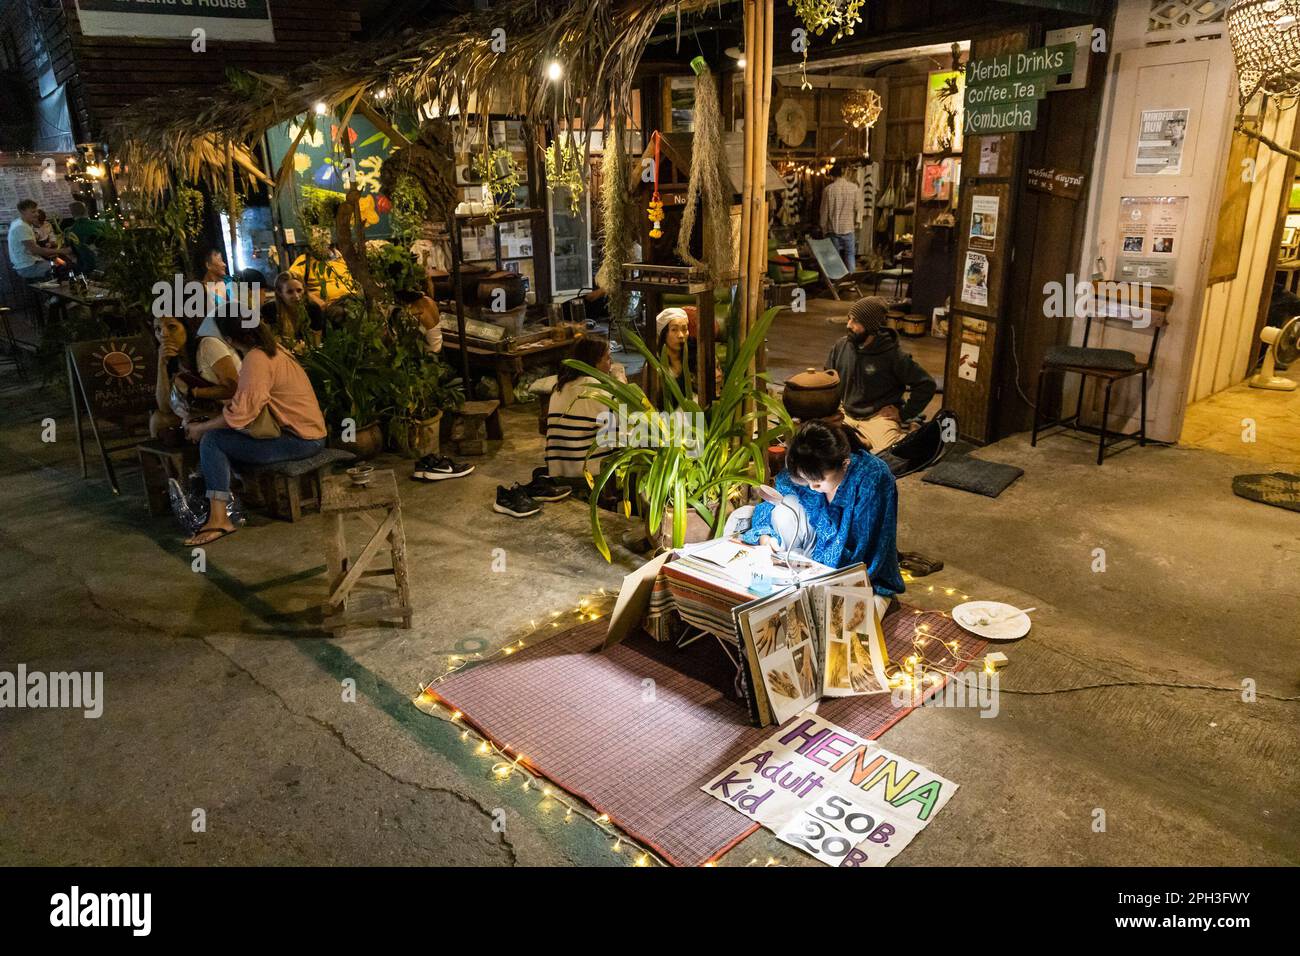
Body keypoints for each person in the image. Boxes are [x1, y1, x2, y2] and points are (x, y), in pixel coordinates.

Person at [181, 312, 328, 545]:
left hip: (300, 441)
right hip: (310, 434)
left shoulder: (256, 359)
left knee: (213, 441)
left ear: (228, 340)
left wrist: (201, 428)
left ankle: (219, 519)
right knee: (220, 437)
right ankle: (238, 499)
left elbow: (240, 415)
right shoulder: (274, 350)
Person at [741, 420, 904, 610]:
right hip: (806, 563)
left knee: (843, 626)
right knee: (783, 510)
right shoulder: (805, 462)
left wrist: (814, 578)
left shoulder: (872, 478)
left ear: (844, 464)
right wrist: (765, 535)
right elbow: (773, 499)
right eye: (805, 480)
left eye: (818, 482)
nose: (811, 487)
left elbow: (863, 549)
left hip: (855, 570)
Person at [828, 296, 936, 453]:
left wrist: (904, 414)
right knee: (819, 441)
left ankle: (911, 428)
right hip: (846, 414)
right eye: (849, 319)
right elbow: (828, 379)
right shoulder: (841, 346)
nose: (848, 325)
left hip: (877, 418)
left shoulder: (893, 355)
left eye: (855, 322)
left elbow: (926, 384)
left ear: (871, 327)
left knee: (890, 455)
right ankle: (861, 442)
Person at [7, 199, 71, 279]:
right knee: (64, 269)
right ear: (23, 212)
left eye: (37, 211)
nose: (37, 214)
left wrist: (54, 255)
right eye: (33, 212)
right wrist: (62, 251)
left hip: (34, 261)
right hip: (28, 267)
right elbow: (35, 250)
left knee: (64, 264)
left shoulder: (20, 222)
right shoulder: (21, 227)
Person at [261, 272, 325, 350]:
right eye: (290, 292)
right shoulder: (270, 309)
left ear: (304, 290)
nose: (296, 296)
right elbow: (268, 340)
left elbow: (316, 343)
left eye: (299, 290)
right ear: (280, 293)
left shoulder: (313, 308)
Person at [288, 244, 356, 307]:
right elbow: (290, 282)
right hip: (330, 305)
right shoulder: (304, 260)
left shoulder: (341, 257)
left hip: (354, 299)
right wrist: (314, 299)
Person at [819, 163, 858, 269]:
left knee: (834, 258)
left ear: (832, 176)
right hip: (848, 228)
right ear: (843, 174)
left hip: (833, 229)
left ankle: (836, 281)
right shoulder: (854, 188)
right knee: (850, 255)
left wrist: (823, 227)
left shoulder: (828, 190)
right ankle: (851, 281)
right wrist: (857, 223)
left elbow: (824, 211)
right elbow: (857, 207)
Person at [61, 201, 105, 274]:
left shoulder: (69, 231)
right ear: (86, 210)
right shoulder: (102, 224)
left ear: (72, 214)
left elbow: (70, 252)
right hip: (107, 265)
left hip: (85, 268)